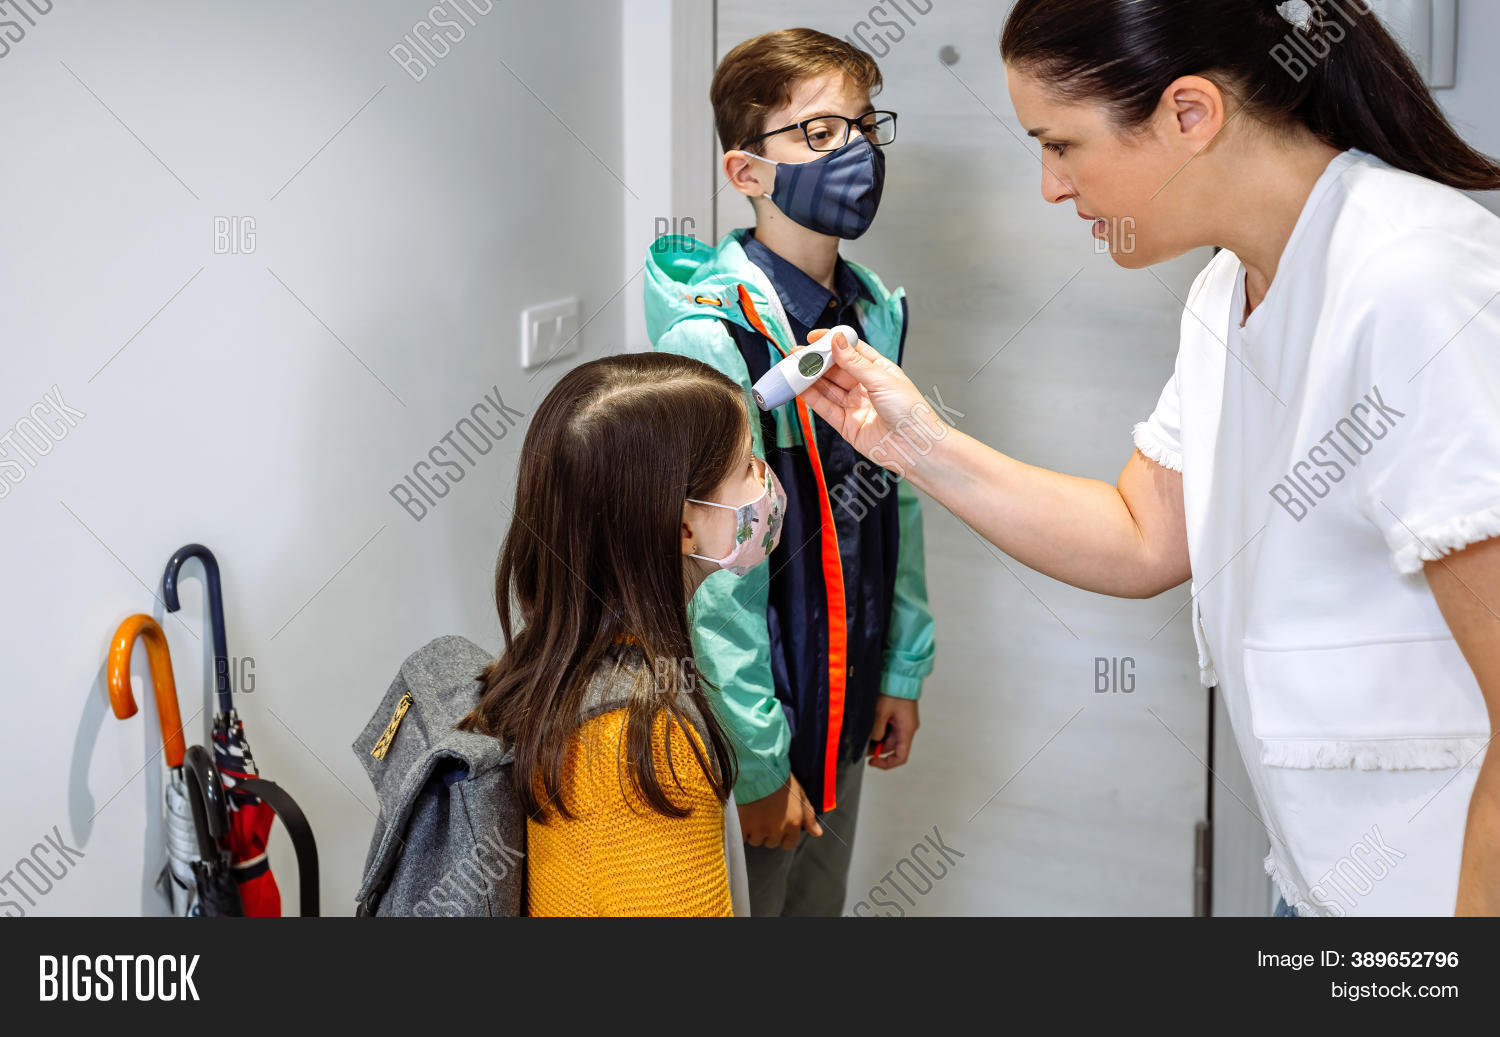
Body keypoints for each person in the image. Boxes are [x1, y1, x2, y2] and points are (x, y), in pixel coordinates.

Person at [799, 0, 1500, 917]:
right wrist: (909, 442)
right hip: (1323, 883)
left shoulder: (1418, 283)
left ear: (1189, 114)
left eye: (1062, 145)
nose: (1051, 186)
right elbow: (1143, 535)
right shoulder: (1227, 289)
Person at [645, 27, 936, 916]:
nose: (854, 152)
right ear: (747, 174)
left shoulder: (873, 309)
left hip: (850, 698)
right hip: (760, 724)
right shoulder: (713, 337)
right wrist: (760, 764)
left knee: (822, 911)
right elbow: (711, 577)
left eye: (863, 126)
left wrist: (901, 667)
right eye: (817, 134)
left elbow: (902, 494)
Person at [457, 352, 785, 916]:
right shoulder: (647, 751)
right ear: (683, 526)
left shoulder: (552, 659)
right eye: (745, 466)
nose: (764, 478)